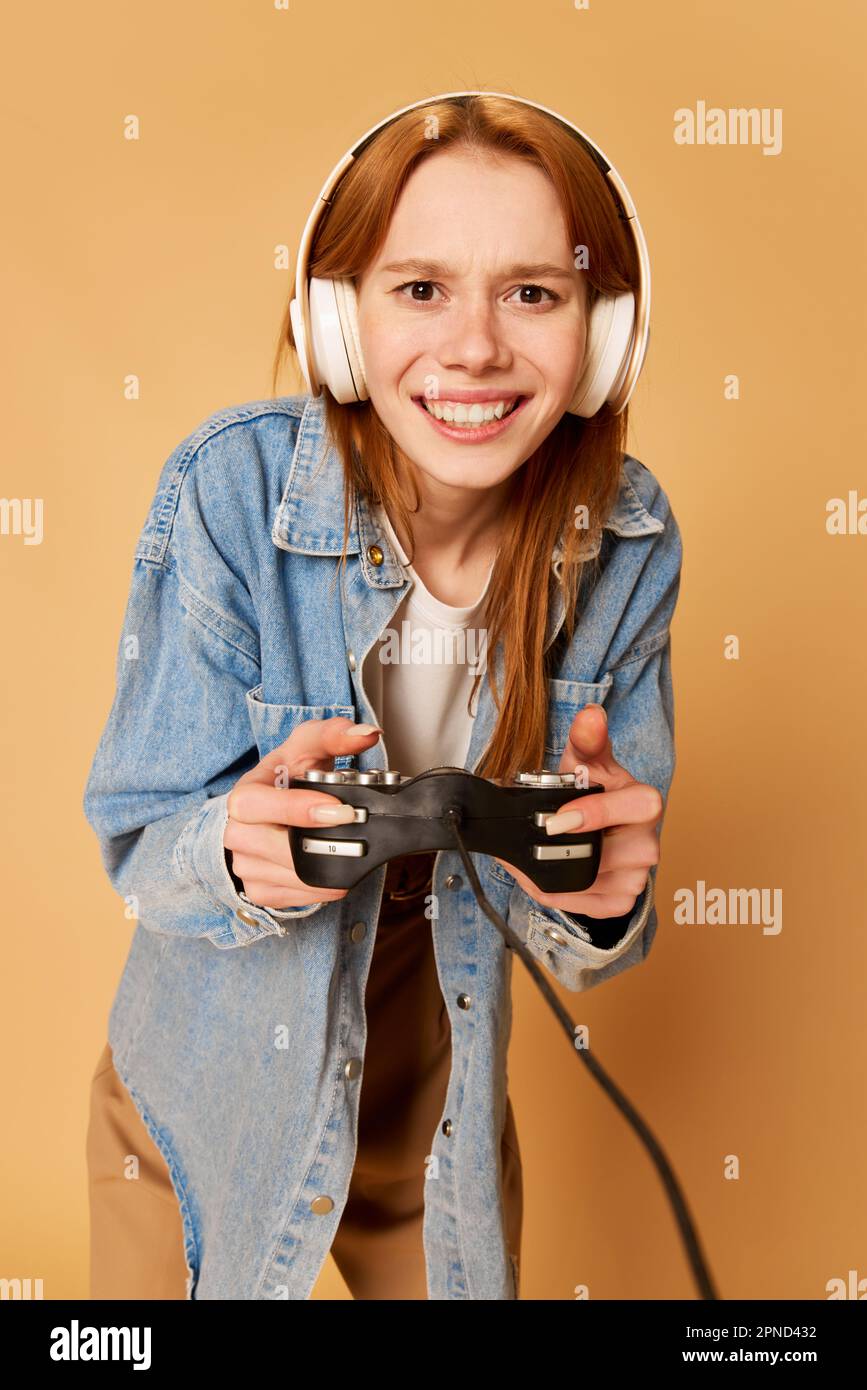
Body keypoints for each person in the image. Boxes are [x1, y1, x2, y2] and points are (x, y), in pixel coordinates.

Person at [82, 91, 681, 1301]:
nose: (473, 348)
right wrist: (239, 851)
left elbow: (594, 938)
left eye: (532, 291)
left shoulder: (624, 535)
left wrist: (607, 903)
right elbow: (140, 845)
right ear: (337, 322)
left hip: (441, 1108)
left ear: (602, 334)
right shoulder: (229, 487)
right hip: (205, 1099)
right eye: (419, 289)